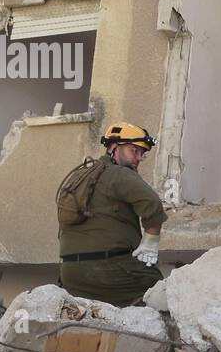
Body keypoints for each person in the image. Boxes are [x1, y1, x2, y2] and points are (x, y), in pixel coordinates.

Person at [58, 122, 167, 307]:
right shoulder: (118, 174)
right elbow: (153, 204)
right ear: (114, 148)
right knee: (157, 288)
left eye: (142, 153)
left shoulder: (79, 177)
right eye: (134, 150)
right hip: (108, 269)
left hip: (70, 274)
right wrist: (150, 244)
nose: (139, 158)